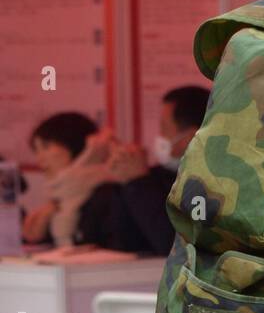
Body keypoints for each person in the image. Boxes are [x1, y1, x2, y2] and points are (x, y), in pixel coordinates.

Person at [75, 85, 210, 256]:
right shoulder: (154, 177)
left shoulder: (215, 184)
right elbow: (115, 241)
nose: (159, 136)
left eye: (164, 128)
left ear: (190, 137)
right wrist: (123, 181)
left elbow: (175, 246)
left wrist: (138, 183)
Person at [21, 112, 100, 246]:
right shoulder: (57, 199)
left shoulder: (103, 193)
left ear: (74, 145)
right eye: (36, 150)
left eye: (46, 147)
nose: (40, 159)